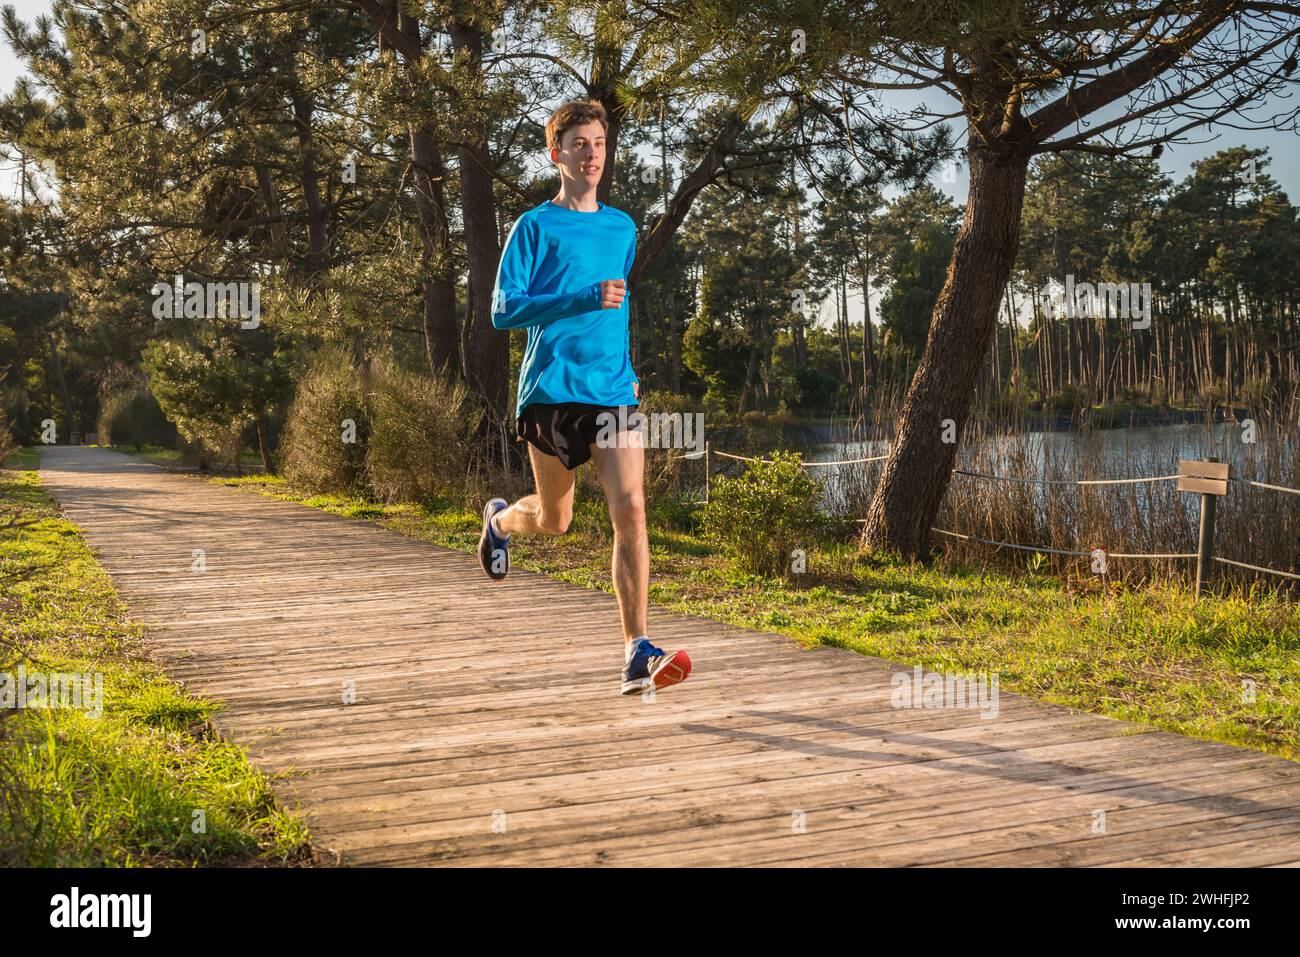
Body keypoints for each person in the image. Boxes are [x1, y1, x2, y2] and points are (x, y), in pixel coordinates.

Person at [478, 99, 691, 697]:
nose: (591, 153)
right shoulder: (534, 227)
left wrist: (627, 371)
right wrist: (578, 297)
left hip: (612, 391)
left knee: (631, 508)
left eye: (598, 143)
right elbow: (502, 311)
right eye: (579, 144)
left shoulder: (622, 227)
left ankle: (635, 649)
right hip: (549, 392)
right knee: (556, 519)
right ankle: (500, 521)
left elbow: (616, 312)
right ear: (556, 154)